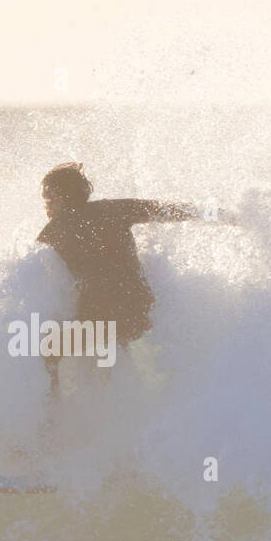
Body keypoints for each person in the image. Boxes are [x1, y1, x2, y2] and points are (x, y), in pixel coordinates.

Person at [34, 161, 207, 389]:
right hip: (140, 311)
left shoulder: (52, 232)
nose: (46, 208)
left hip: (102, 319)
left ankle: (50, 418)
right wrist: (219, 215)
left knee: (48, 349)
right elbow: (168, 211)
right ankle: (123, 396)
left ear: (60, 197)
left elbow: (37, 278)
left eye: (48, 200)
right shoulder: (114, 209)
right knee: (103, 338)